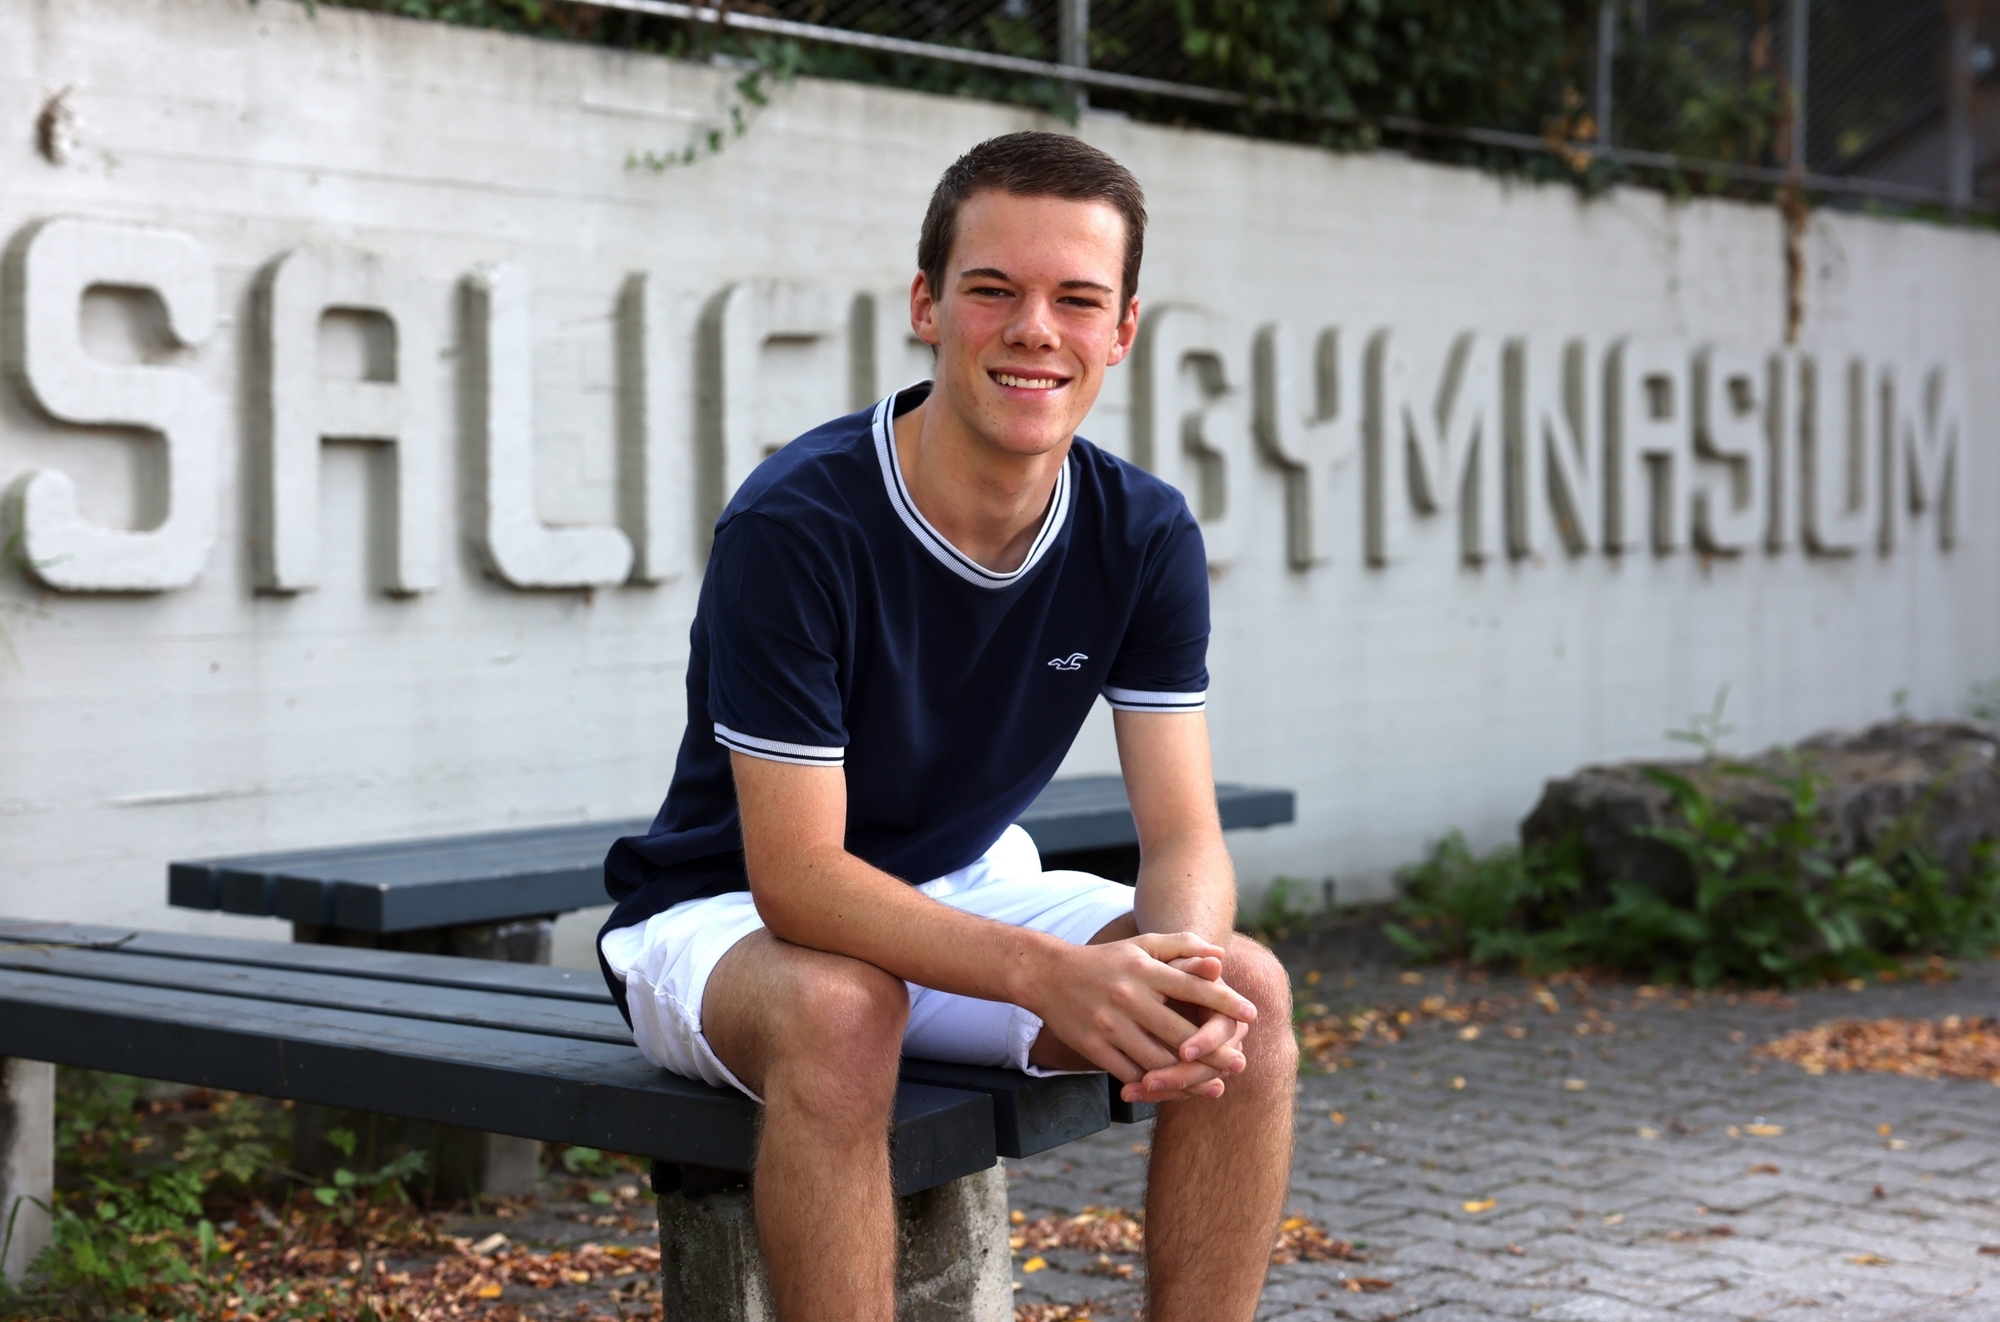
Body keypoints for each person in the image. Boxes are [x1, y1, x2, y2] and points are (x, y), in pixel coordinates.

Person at [598, 130, 1296, 1322]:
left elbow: (1182, 835)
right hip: (724, 920)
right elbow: (798, 881)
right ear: (927, 303)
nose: (1035, 328)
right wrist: (1052, 975)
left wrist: (1170, 974)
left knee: (1243, 990)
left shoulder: (1141, 532)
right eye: (994, 290)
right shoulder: (797, 523)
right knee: (842, 1010)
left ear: (1119, 332)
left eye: (1077, 299)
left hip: (958, 887)